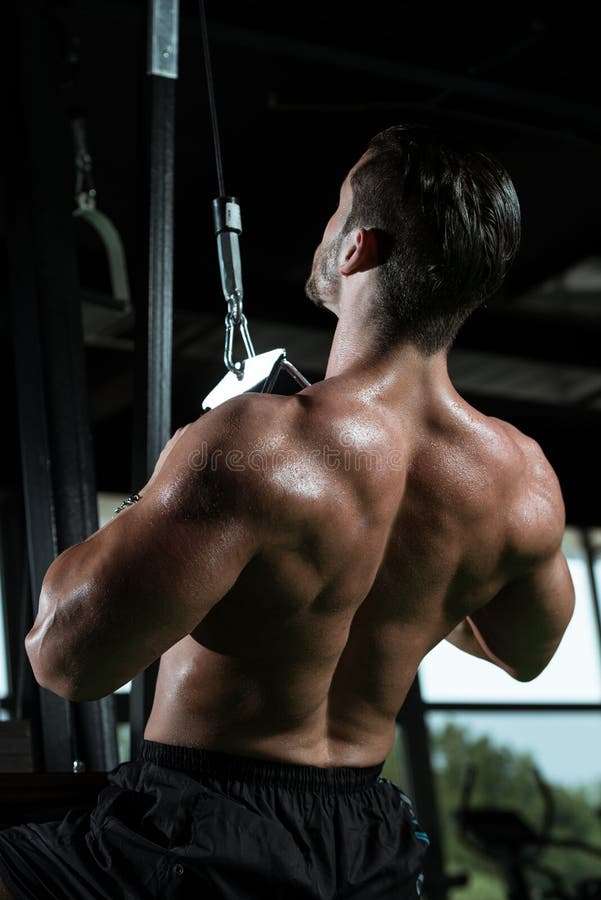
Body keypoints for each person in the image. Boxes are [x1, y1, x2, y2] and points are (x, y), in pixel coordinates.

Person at [0, 123, 575, 899]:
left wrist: (169, 475)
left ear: (356, 249)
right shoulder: (521, 480)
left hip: (198, 832)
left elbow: (64, 661)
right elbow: (525, 654)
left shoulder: (255, 444)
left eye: (337, 210)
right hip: (369, 844)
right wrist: (415, 577)